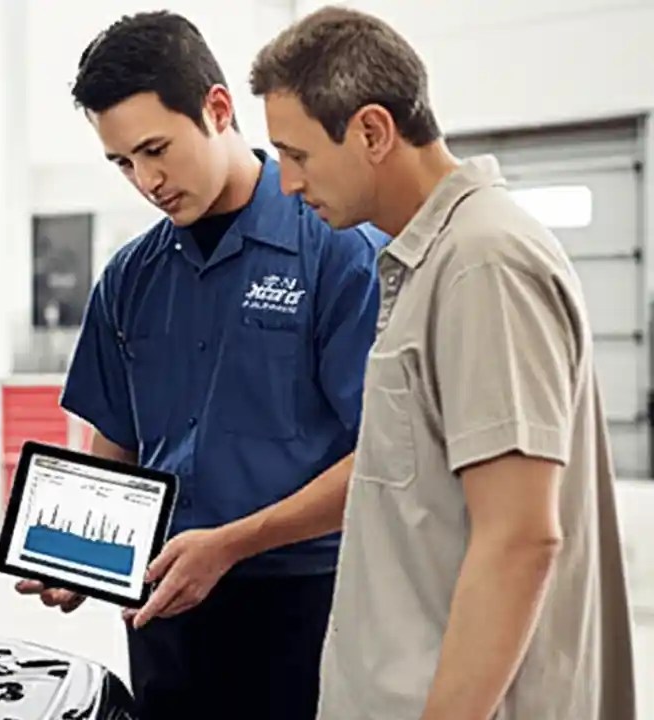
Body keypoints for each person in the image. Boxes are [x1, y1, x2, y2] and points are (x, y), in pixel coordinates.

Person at [248, 6, 638, 720]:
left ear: (371, 131)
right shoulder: (427, 261)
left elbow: (520, 537)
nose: (286, 185)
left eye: (296, 154)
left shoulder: (482, 261)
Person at [12, 11, 389, 718]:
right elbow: (116, 441)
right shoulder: (130, 277)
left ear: (218, 109)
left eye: (156, 149)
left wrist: (234, 544)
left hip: (307, 601)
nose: (146, 181)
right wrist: (83, 559)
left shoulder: (338, 252)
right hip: (163, 608)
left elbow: (385, 457)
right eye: (123, 162)